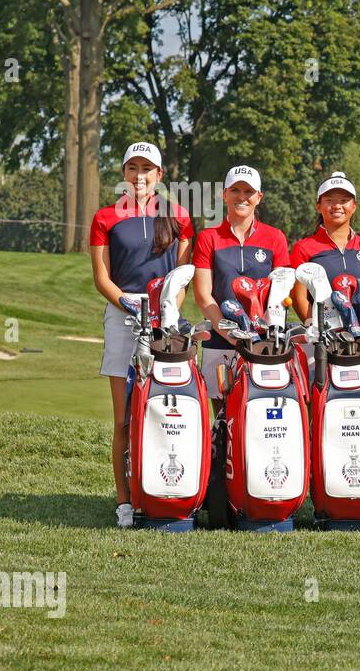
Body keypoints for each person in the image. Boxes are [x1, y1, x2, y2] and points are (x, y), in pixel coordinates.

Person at [89, 141, 194, 527]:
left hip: (165, 316)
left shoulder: (179, 216)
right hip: (123, 315)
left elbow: (183, 275)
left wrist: (169, 307)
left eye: (147, 169)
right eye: (132, 168)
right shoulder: (105, 217)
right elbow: (102, 278)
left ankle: (169, 488)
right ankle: (124, 500)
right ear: (123, 173)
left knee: (169, 409)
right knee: (123, 419)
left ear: (160, 175)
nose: (139, 176)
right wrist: (128, 304)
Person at [192, 165, 291, 399]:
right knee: (222, 417)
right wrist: (232, 336)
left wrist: (257, 338)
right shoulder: (209, 238)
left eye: (249, 191)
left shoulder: (275, 237)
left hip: (265, 344)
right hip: (220, 338)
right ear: (224, 194)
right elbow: (203, 295)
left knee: (261, 414)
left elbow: (280, 290)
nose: (242, 197)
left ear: (259, 197)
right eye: (235, 190)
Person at [289, 172, 360, 323]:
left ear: (354, 206)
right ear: (318, 206)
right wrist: (316, 329)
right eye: (329, 200)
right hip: (323, 339)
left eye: (344, 200)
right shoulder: (303, 248)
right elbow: (298, 297)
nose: (337, 206)